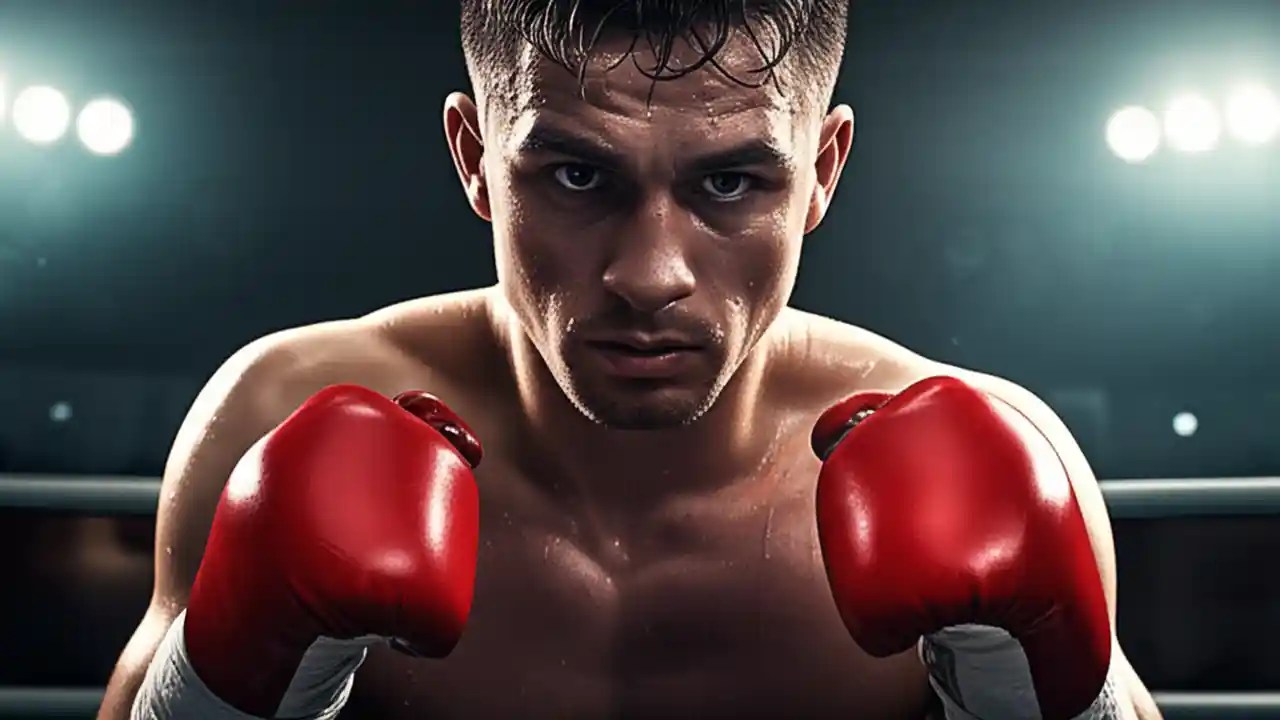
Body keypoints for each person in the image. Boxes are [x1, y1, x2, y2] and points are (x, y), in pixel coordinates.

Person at [100, 2, 1164, 718]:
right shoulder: (278, 411)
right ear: (476, 158)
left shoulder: (1002, 459)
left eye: (731, 184)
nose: (649, 273)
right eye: (574, 177)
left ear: (822, 169)